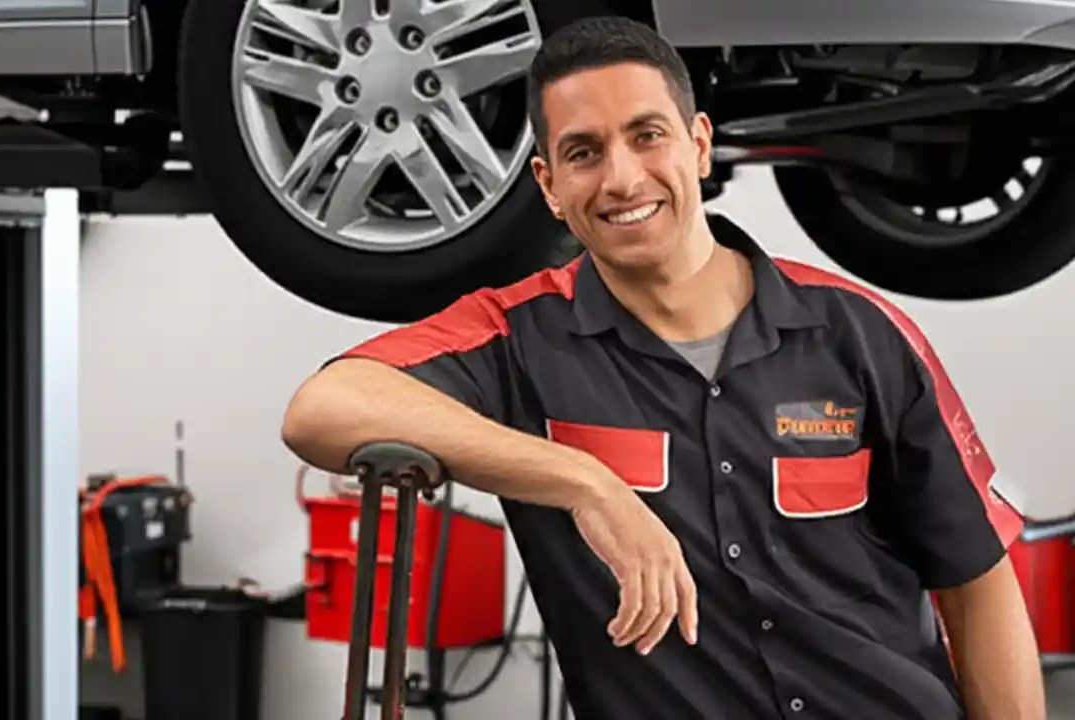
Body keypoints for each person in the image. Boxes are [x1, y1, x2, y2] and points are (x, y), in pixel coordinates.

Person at [281, 15, 1046, 720]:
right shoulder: (519, 340)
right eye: (583, 153)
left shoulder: (859, 332)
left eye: (647, 136)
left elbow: (975, 582)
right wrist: (587, 484)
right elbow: (325, 409)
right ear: (548, 186)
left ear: (700, 145)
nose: (620, 179)